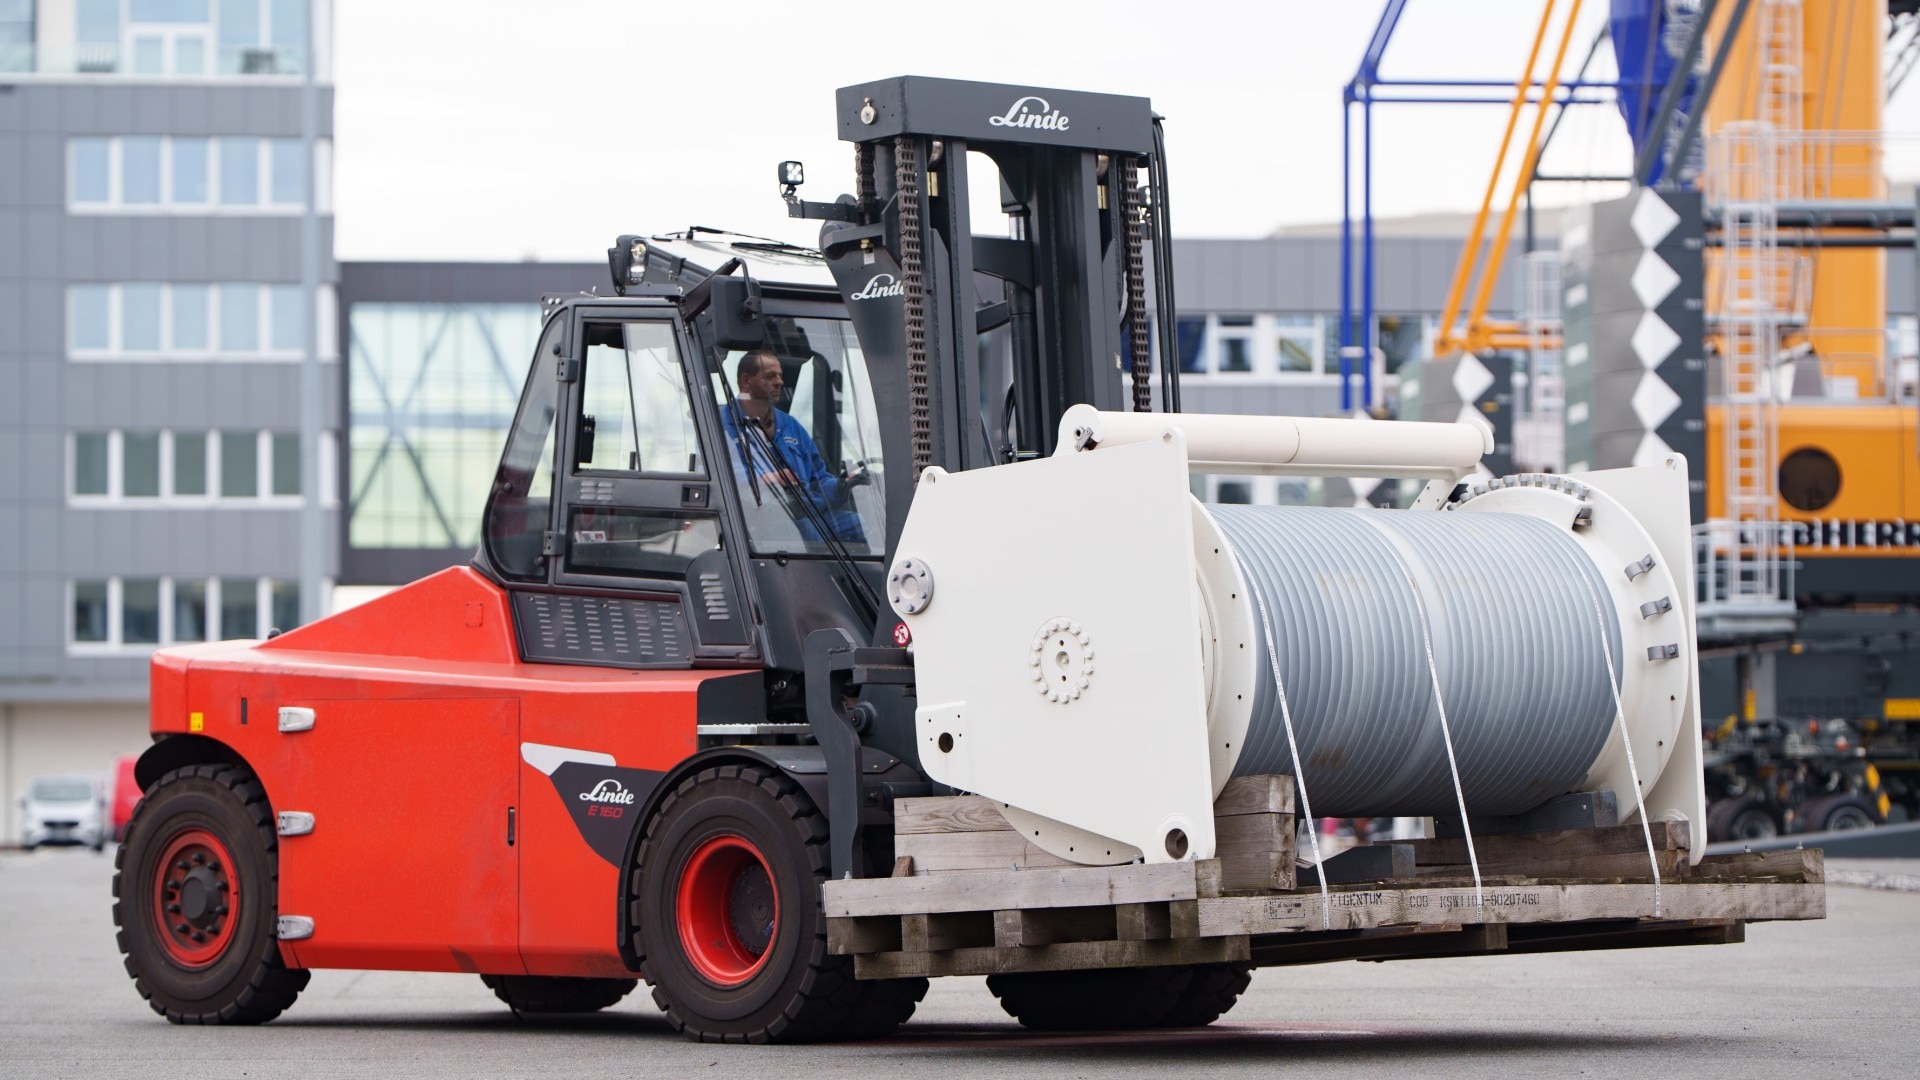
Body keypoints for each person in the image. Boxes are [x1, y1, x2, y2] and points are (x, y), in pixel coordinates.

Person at [720, 347, 869, 545]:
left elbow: (818, 479)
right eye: (770, 376)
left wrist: (843, 484)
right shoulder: (720, 421)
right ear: (746, 381)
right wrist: (764, 478)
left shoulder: (791, 426)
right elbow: (712, 468)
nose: (780, 382)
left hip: (807, 512)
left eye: (780, 376)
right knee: (803, 534)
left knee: (857, 523)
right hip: (757, 519)